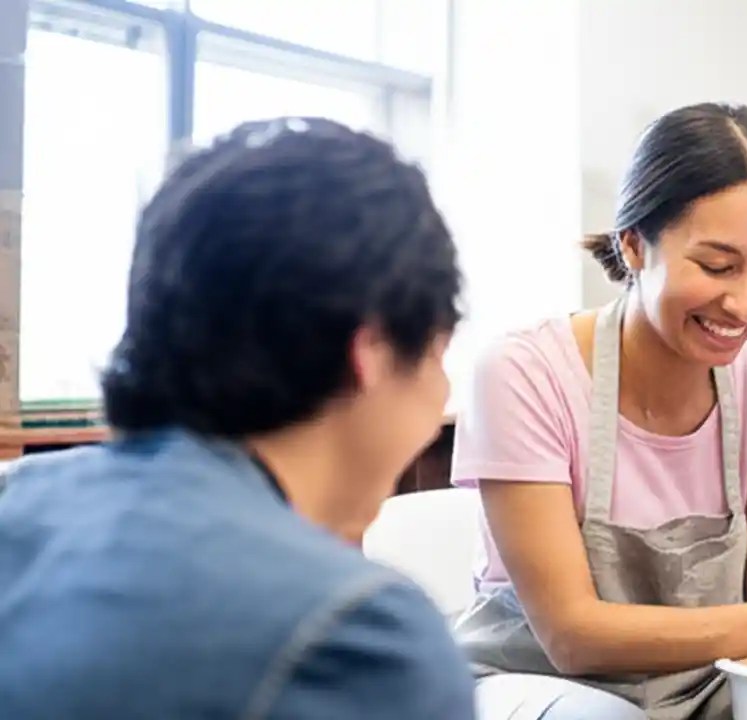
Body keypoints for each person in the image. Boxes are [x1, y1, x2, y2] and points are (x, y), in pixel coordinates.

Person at [449, 102, 747, 720]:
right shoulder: (523, 372)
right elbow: (572, 635)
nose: (745, 302)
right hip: (533, 677)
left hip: (707, 676)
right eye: (717, 266)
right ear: (633, 246)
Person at [0, 118, 475, 719]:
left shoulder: (14, 504)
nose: (437, 412)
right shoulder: (358, 639)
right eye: (437, 356)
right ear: (373, 351)